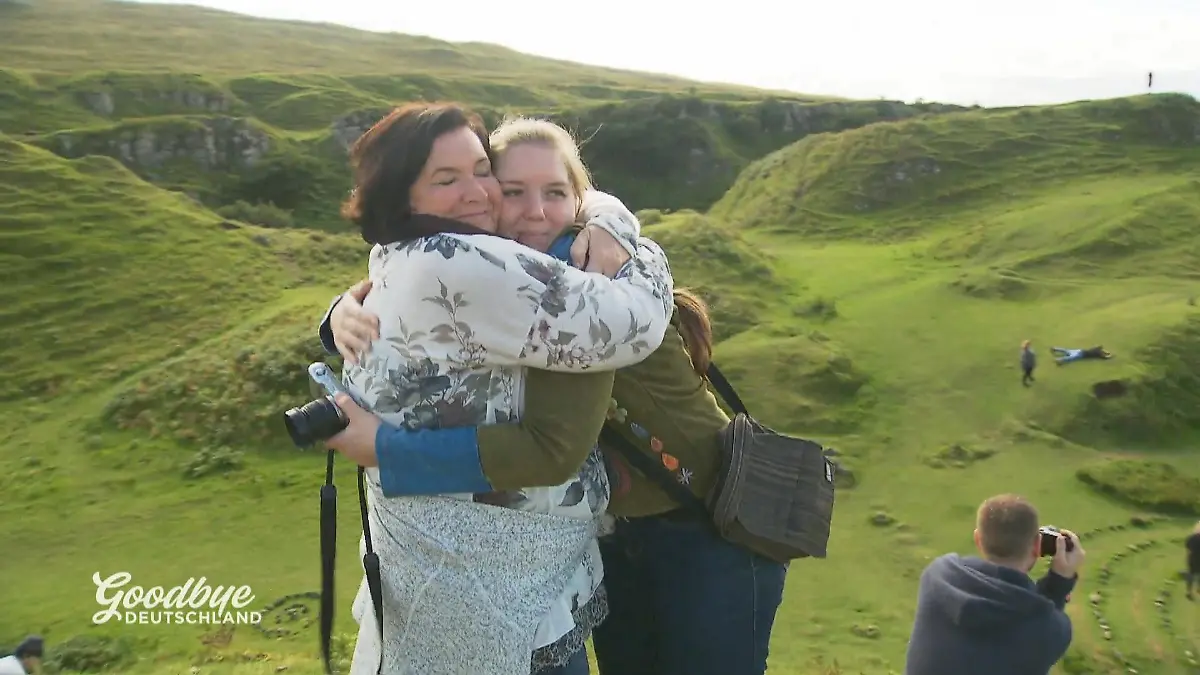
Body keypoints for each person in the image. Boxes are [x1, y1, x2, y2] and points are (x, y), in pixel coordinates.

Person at [321, 116, 788, 675]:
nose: (535, 212)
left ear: (577, 200)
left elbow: (551, 449)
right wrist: (344, 308)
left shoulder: (578, 275)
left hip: (704, 525)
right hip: (614, 534)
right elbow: (414, 283)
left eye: (554, 193)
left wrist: (385, 449)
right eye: (512, 190)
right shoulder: (500, 269)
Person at [904, 494, 1086, 675]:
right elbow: (1038, 621)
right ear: (1037, 546)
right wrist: (1060, 580)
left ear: (978, 539)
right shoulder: (1053, 630)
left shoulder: (937, 575)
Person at [1186, 521, 1200, 600]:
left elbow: (1188, 547)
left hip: (1192, 557)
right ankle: (1197, 589)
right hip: (1196, 558)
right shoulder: (1192, 538)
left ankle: (1189, 591)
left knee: (1191, 574)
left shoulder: (1191, 538)